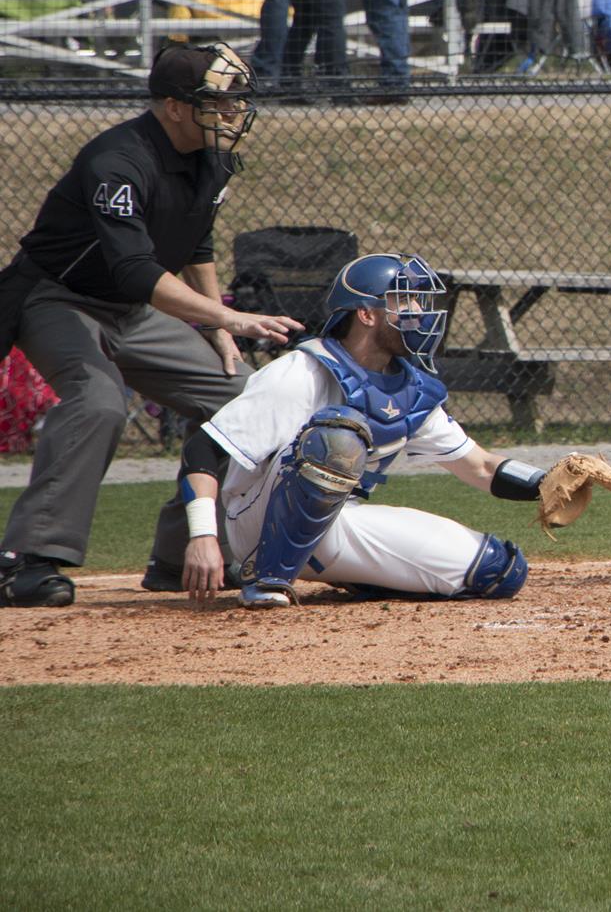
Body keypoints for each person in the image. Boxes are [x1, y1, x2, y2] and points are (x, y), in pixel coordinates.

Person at [0, 45, 302, 607]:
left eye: (238, 97)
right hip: (58, 298)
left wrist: (217, 329)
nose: (234, 109)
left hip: (133, 310)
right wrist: (227, 314)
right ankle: (29, 561)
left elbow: (196, 244)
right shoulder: (117, 159)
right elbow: (135, 268)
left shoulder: (210, 157)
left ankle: (180, 553)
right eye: (218, 99)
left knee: (241, 399)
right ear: (173, 107)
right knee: (98, 401)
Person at [173, 253, 552, 607]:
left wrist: (547, 484)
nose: (419, 313)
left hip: (336, 524)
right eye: (404, 302)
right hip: (258, 525)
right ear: (367, 315)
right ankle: (265, 579)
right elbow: (204, 450)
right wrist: (203, 536)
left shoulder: (409, 389)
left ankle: (359, 578)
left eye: (420, 302)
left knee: (498, 570)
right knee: (338, 438)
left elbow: (481, 467)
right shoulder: (301, 372)